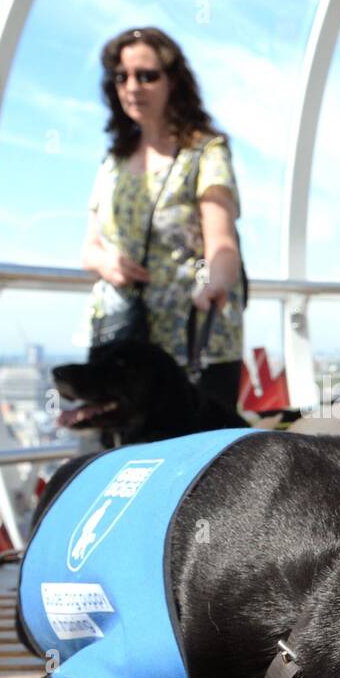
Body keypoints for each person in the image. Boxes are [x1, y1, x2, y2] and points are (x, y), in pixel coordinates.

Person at [81, 26, 245, 411]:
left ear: (174, 82)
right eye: (122, 77)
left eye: (147, 75)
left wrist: (215, 284)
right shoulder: (113, 162)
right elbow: (89, 247)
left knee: (200, 462)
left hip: (192, 340)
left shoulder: (205, 152)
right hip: (125, 339)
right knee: (124, 460)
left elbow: (221, 241)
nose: (132, 86)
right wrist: (108, 262)